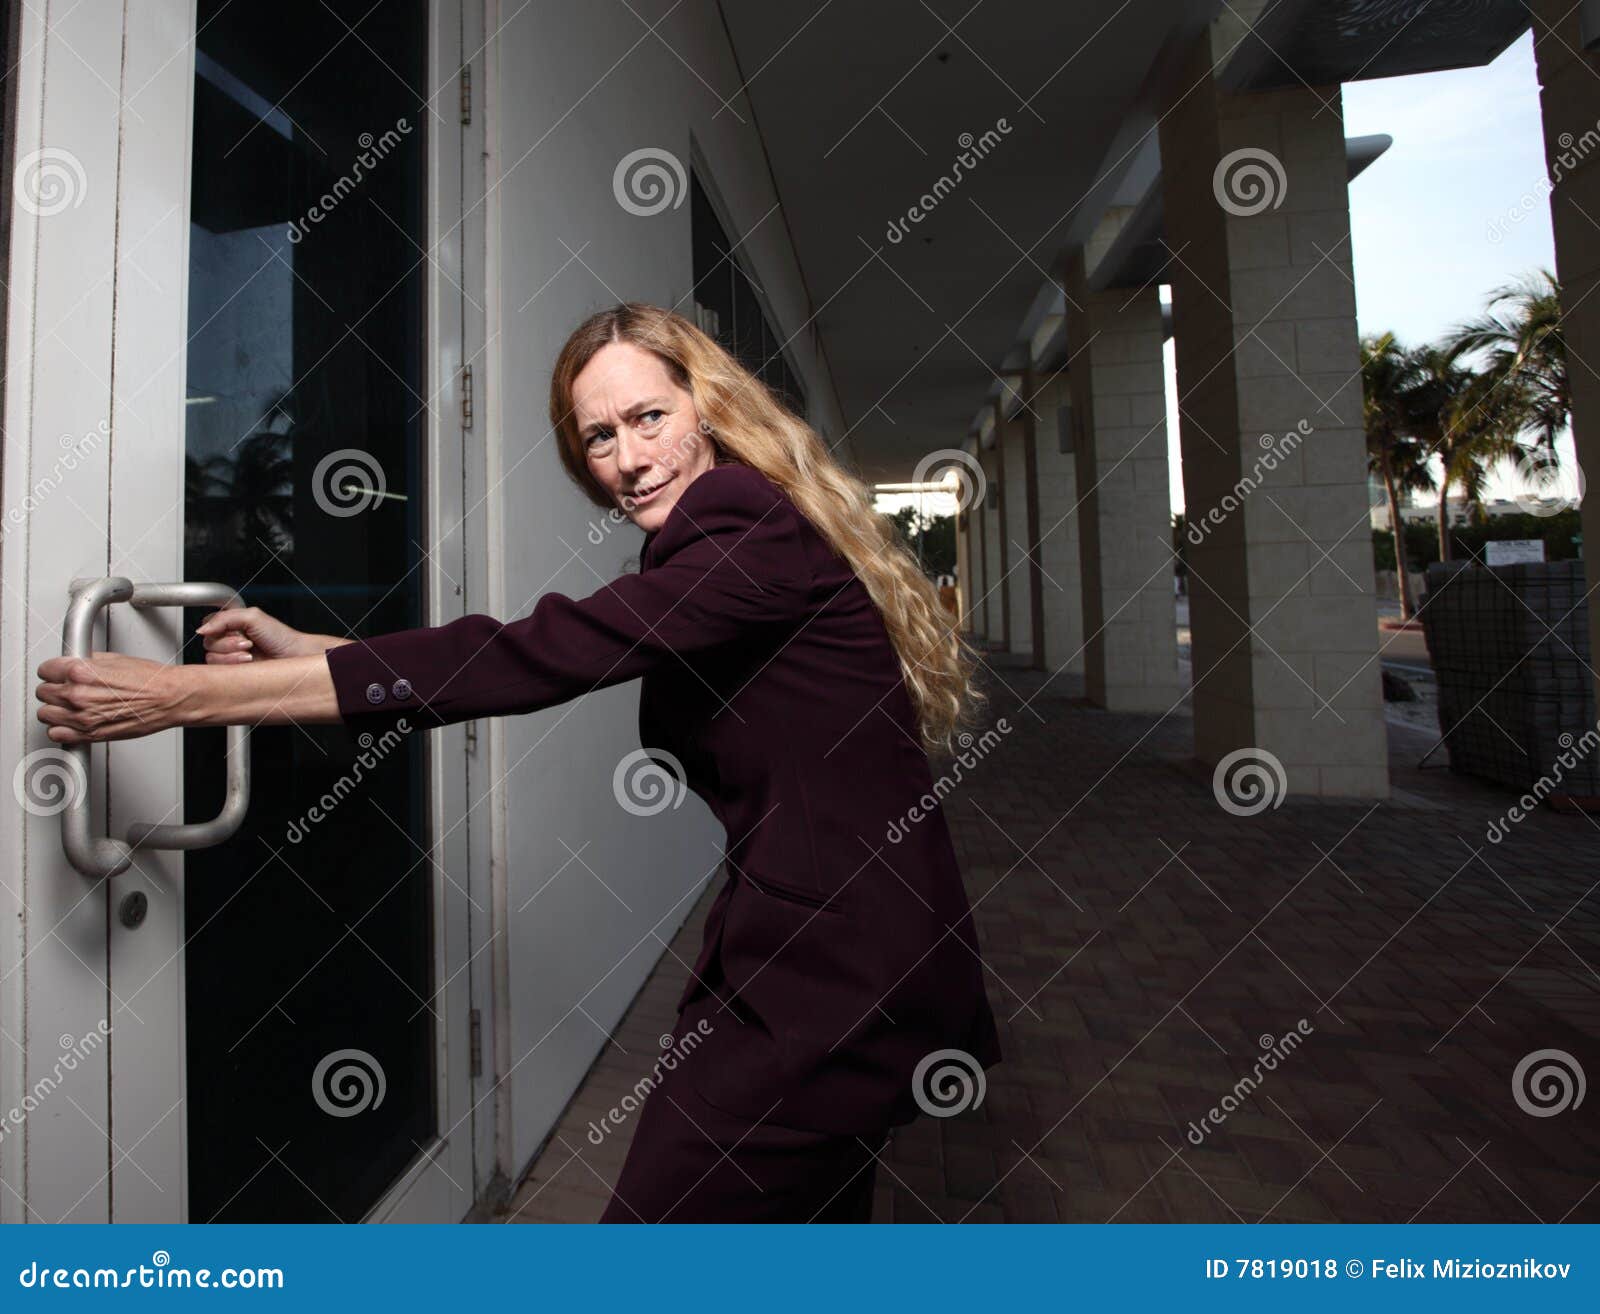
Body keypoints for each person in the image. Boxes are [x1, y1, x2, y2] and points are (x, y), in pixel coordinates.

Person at [34, 302, 1003, 1222]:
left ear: (707, 409)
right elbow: (541, 647)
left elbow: (537, 654)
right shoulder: (733, 536)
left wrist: (180, 697)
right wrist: (314, 649)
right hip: (849, 955)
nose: (629, 460)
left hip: (831, 977)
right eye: (599, 438)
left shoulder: (739, 526)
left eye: (648, 417)